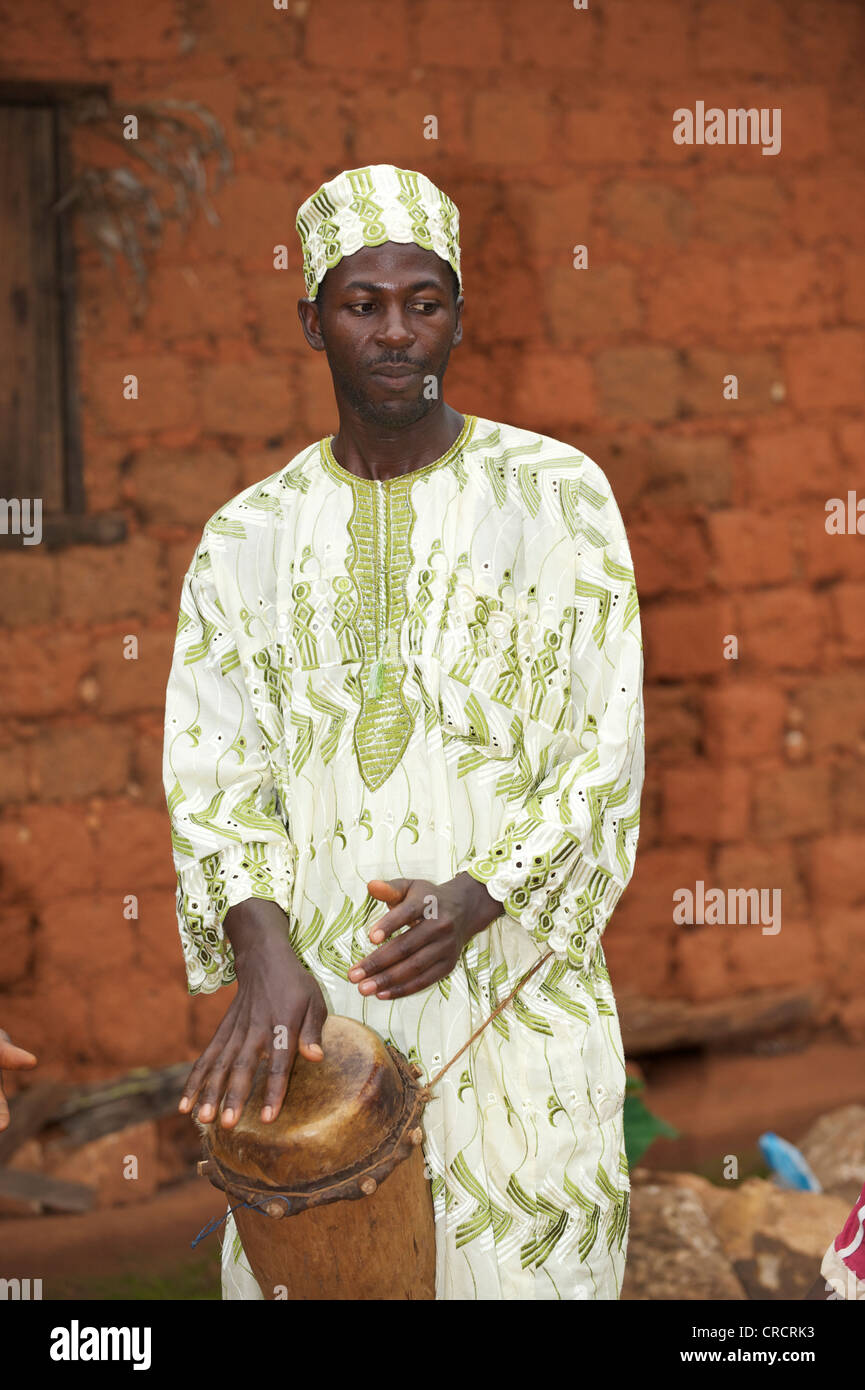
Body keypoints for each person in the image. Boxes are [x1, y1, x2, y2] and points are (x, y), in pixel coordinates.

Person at [163, 164, 645, 1300]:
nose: (394, 333)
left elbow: (602, 748)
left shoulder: (558, 498)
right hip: (327, 1009)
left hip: (517, 986)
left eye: (423, 302)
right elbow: (212, 773)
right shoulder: (246, 537)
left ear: (460, 315)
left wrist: (484, 891)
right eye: (360, 303)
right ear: (309, 322)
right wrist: (263, 953)